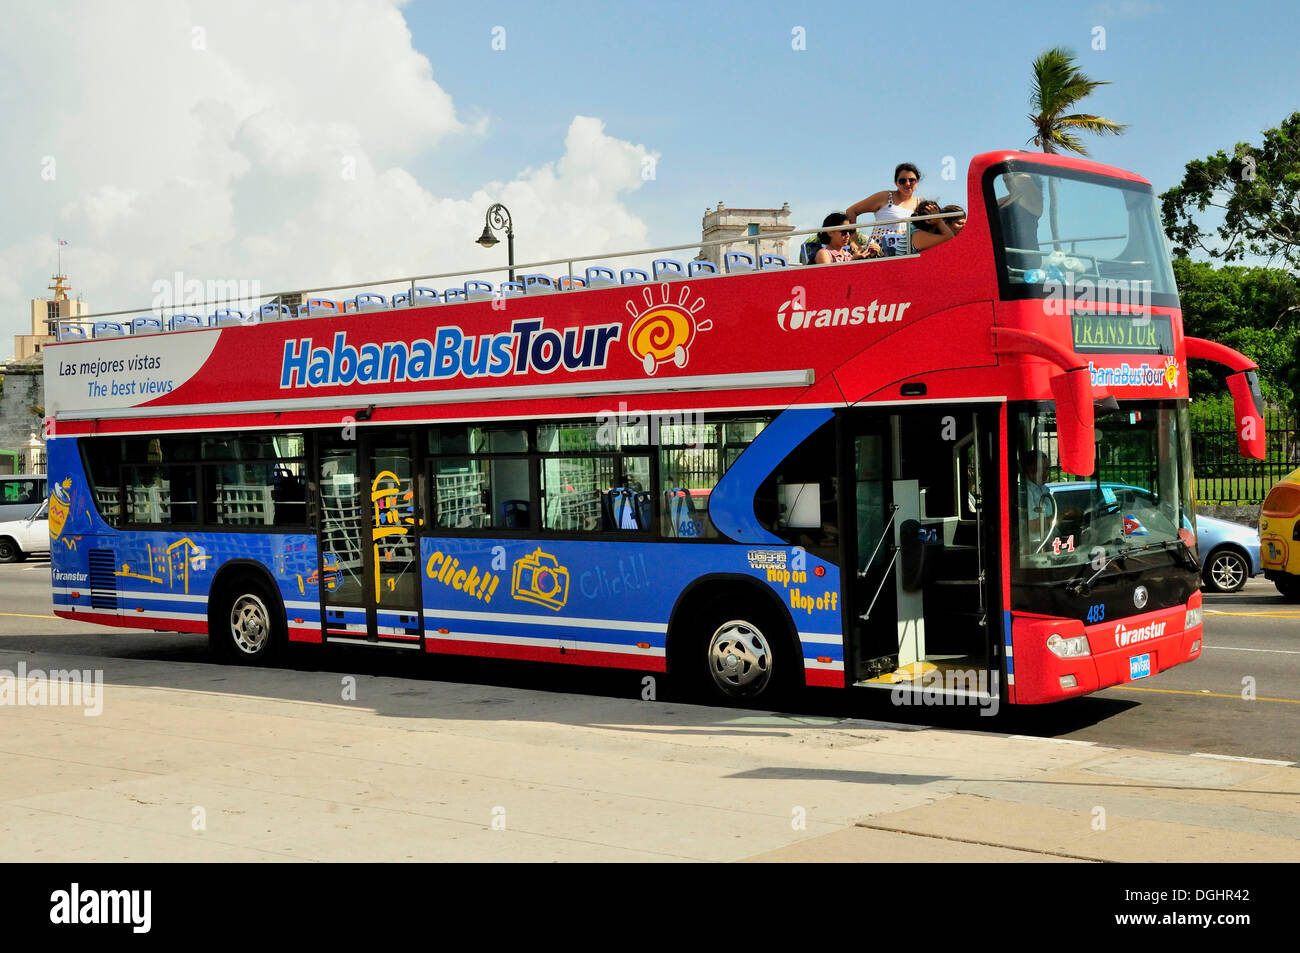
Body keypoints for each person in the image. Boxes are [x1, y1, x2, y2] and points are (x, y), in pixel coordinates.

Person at [847, 162, 923, 256]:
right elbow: (851, 211)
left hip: (907, 254)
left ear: (917, 181)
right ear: (896, 183)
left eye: (912, 180)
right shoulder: (885, 197)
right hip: (877, 254)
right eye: (902, 181)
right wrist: (854, 241)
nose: (907, 183)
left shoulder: (920, 204)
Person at [997, 173, 1044, 273]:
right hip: (1003, 260)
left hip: (1024, 262)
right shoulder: (1004, 200)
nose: (1008, 183)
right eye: (1004, 180)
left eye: (1010, 179)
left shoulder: (1033, 198)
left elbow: (1024, 178)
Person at [811, 212, 881, 264]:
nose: (848, 235)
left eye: (849, 231)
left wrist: (871, 256)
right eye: (844, 232)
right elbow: (829, 278)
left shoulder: (847, 255)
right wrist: (853, 260)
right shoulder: (824, 253)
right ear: (830, 232)